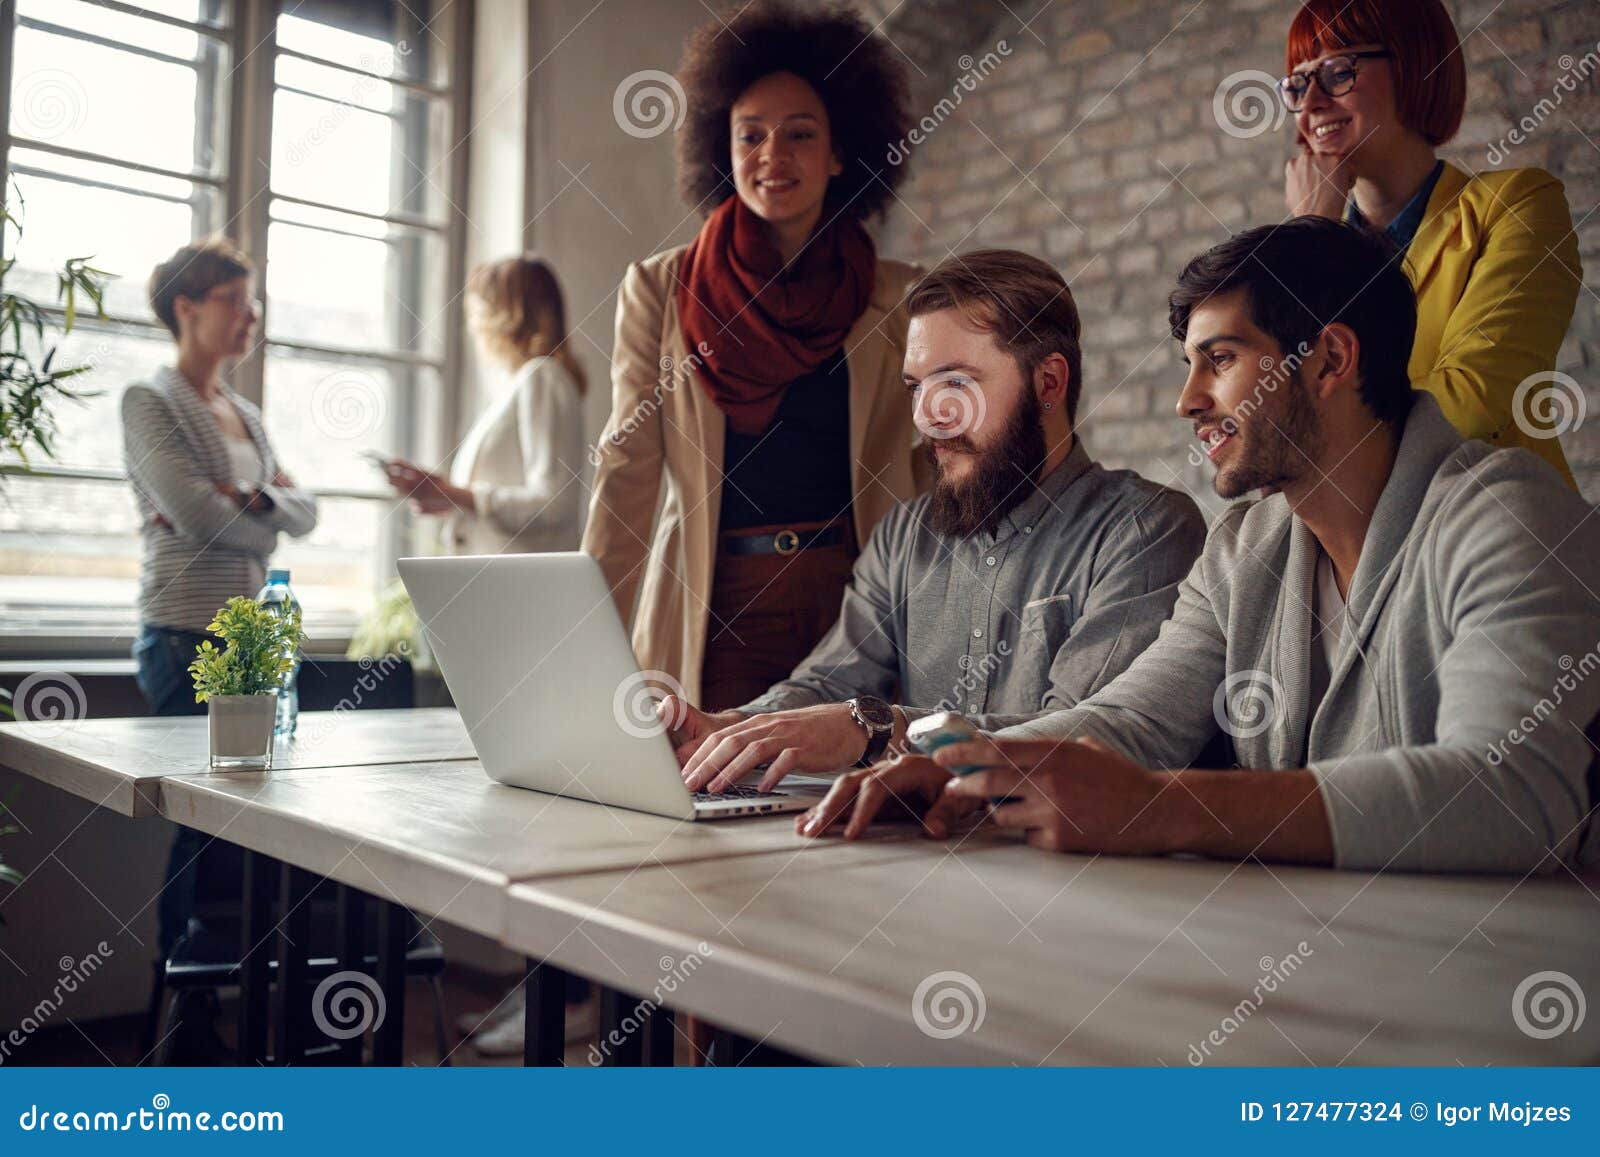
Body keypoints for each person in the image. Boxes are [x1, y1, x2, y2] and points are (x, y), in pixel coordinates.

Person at [802, 219, 1600, 876]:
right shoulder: (1242, 551)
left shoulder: (1509, 515)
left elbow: (1510, 795)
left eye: (1219, 360)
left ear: (1329, 359)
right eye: (1191, 366)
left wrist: (1165, 804)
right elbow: (1130, 721)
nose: (1190, 401)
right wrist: (966, 763)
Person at [661, 250, 1204, 794]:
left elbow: (1078, 742)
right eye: (915, 387)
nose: (927, 417)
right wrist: (731, 728)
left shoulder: (1143, 532)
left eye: (956, 383)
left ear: (1048, 383)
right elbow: (829, 682)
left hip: (1065, 868)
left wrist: (876, 731)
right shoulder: (903, 537)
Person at [583, 0, 929, 716]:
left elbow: (933, 468)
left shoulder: (903, 296)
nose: (773, 156)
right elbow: (629, 469)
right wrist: (587, 642)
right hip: (716, 603)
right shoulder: (660, 288)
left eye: (800, 134)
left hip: (863, 600)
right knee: (716, 797)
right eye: (751, 136)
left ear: (839, 154)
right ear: (724, 150)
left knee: (863, 808)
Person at [122, 237, 318, 1057]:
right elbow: (198, 517)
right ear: (186, 309)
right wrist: (252, 515)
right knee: (203, 822)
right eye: (235, 301)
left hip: (251, 642)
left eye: (253, 303)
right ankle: (187, 1021)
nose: (251, 317)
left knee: (249, 823)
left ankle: (238, 1014)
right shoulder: (151, 400)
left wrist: (253, 500)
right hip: (182, 635)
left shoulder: (250, 413)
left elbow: (305, 513)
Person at [1279, 0, 1582, 485]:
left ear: (1416, 67)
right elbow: (1274, 408)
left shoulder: (1518, 204)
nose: (1311, 102)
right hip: (1355, 549)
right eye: (1297, 83)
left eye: (1337, 71)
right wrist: (1310, 234)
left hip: (1496, 525)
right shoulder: (1308, 238)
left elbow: (1472, 401)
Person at [379, 255, 586, 554]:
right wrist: (451, 496)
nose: (472, 324)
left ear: (503, 315)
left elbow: (552, 506)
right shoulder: (524, 382)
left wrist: (456, 495)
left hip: (521, 587)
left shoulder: (541, 376)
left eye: (478, 308)